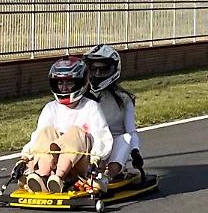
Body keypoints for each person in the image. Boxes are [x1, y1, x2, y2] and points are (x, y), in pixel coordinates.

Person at [19, 56, 114, 193]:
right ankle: (42, 176)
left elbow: (102, 137)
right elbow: (37, 139)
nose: (64, 88)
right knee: (46, 132)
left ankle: (58, 178)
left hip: (83, 166)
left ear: (80, 82)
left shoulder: (91, 107)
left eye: (69, 83)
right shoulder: (50, 108)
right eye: (60, 83)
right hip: (52, 164)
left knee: (75, 132)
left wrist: (96, 160)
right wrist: (24, 158)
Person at [84, 44, 142, 179]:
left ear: (113, 70)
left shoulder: (124, 99)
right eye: (93, 69)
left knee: (126, 138)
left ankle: (112, 172)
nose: (97, 74)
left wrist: (135, 152)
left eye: (103, 70)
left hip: (114, 144)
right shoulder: (81, 98)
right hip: (88, 146)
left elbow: (131, 131)